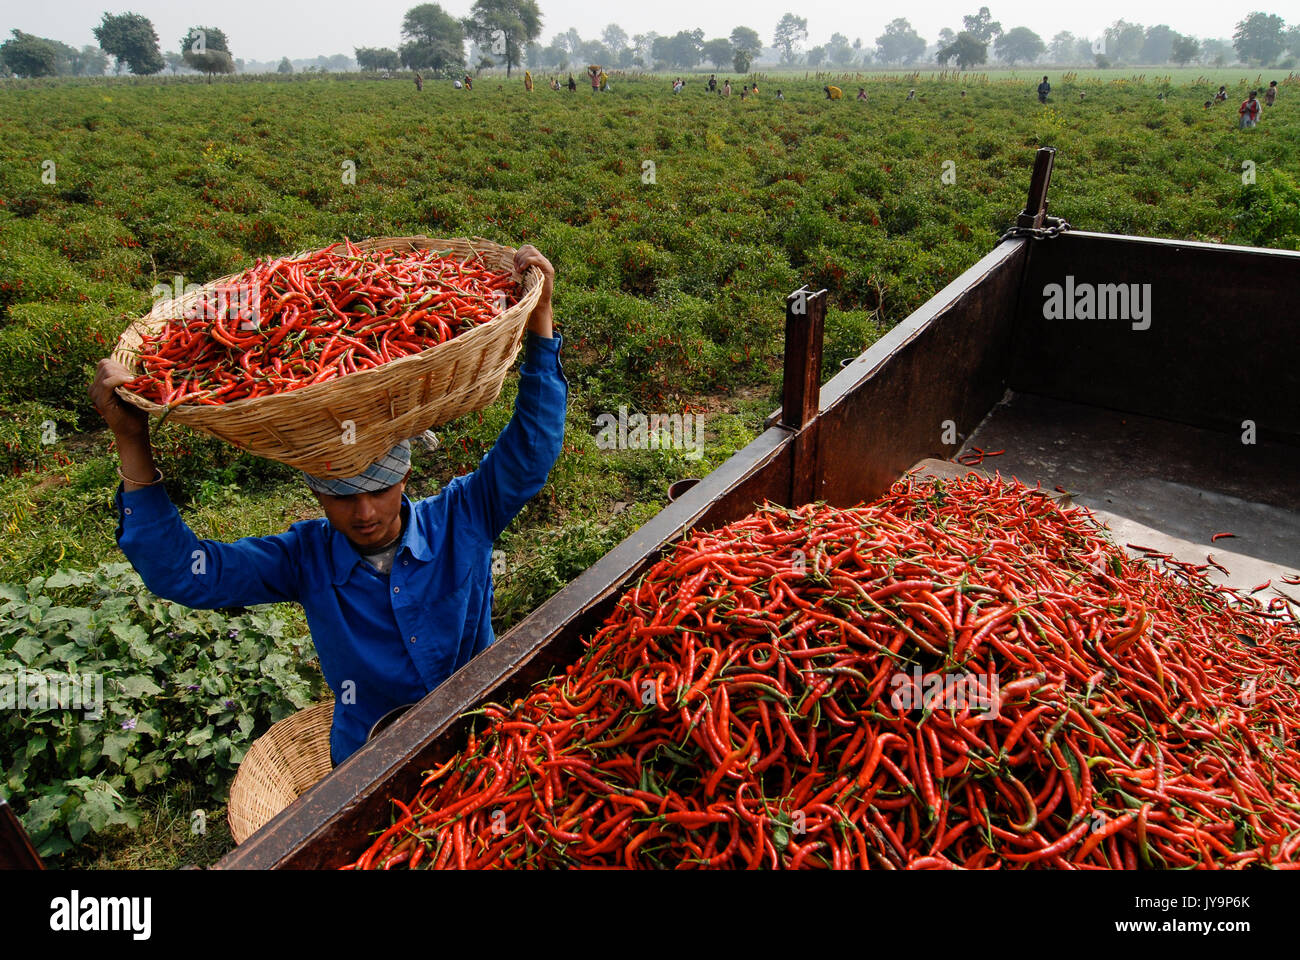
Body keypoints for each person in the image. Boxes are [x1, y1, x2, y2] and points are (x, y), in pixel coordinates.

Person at [90, 248, 568, 767]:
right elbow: (184, 575)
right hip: (371, 760)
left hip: (483, 726)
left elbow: (530, 453)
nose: (363, 514)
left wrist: (540, 320)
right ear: (316, 495)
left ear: (405, 477)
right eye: (340, 497)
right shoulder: (304, 560)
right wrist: (132, 440)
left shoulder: (462, 517)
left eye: (378, 491)